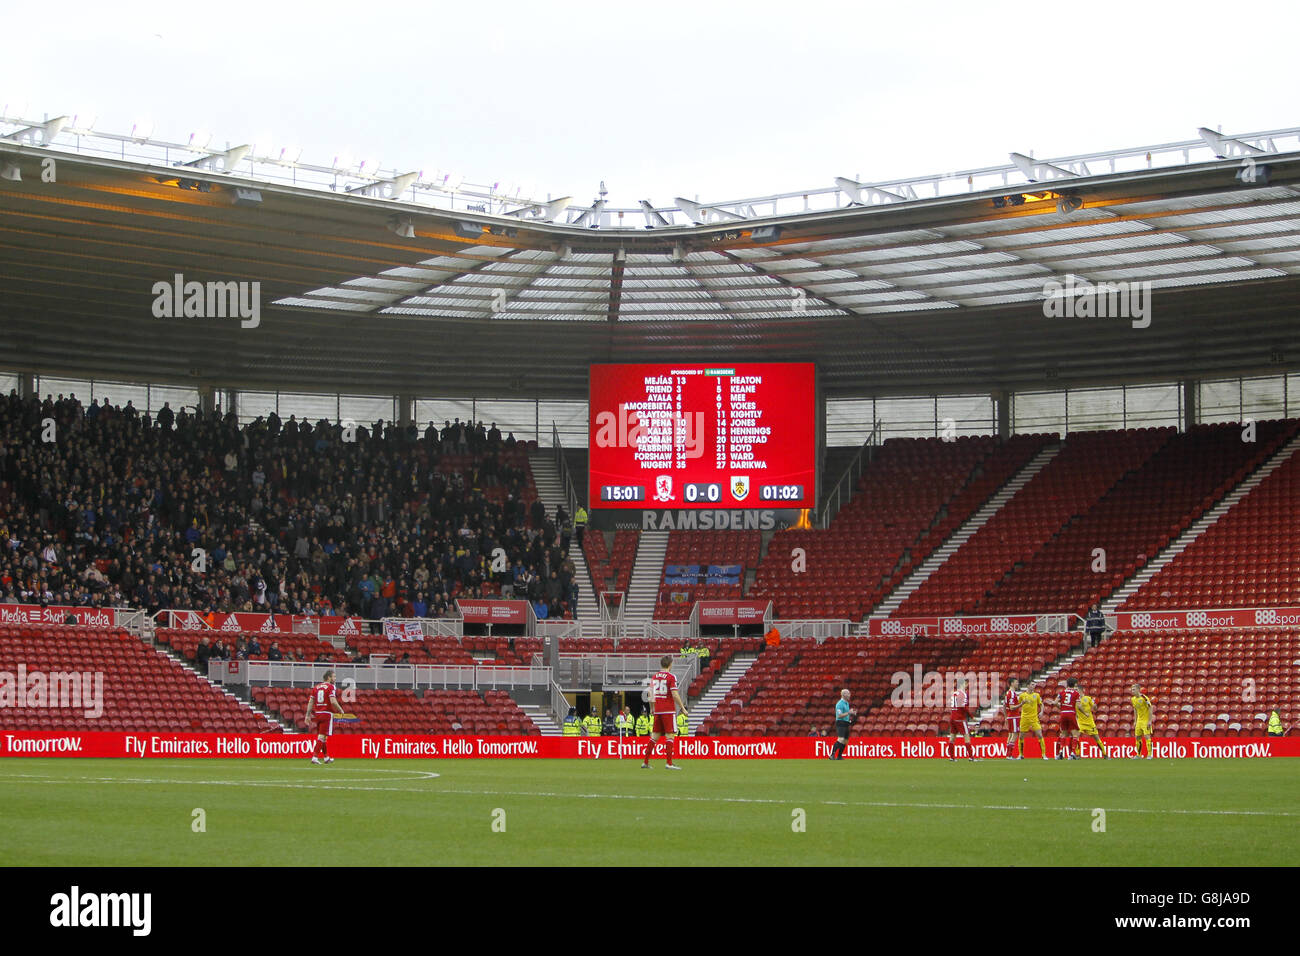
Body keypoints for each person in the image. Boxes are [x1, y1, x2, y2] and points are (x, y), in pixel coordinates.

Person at [641, 656, 685, 770]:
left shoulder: (655, 677)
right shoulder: (671, 677)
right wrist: (682, 708)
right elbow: (674, 694)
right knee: (670, 736)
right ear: (670, 664)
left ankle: (645, 762)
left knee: (654, 736)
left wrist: (652, 708)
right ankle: (669, 763)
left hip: (658, 710)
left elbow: (650, 694)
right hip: (668, 710)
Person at [306, 669, 346, 765]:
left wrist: (307, 714)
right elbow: (332, 701)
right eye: (334, 677)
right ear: (329, 677)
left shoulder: (316, 687)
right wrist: (340, 710)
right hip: (326, 713)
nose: (335, 679)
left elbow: (311, 701)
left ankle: (326, 757)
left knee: (323, 737)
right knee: (322, 736)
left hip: (318, 714)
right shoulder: (331, 687)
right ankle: (315, 757)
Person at [1016, 683, 1050, 760]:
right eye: (1032, 684)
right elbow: (1017, 704)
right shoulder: (1022, 695)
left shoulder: (1037, 695)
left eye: (1034, 685)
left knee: (1040, 735)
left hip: (1034, 718)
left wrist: (1041, 712)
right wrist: (1021, 704)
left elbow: (1041, 704)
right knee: (1021, 736)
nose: (1033, 686)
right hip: (1024, 718)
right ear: (1028, 686)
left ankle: (1043, 755)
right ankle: (1020, 754)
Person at [1075, 685, 1108, 758]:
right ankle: (1077, 755)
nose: (1075, 691)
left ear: (1081, 690)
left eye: (1077, 690)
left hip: (1090, 722)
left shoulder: (1088, 698)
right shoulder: (1075, 700)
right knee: (1076, 736)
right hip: (1080, 722)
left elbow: (1095, 709)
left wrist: (1095, 706)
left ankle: (1105, 754)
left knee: (1096, 738)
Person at [947, 678, 975, 762]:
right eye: (966, 683)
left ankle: (952, 757)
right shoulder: (963, 694)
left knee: (952, 738)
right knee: (967, 736)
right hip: (960, 718)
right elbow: (963, 707)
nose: (967, 685)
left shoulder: (954, 693)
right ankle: (971, 757)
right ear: (962, 684)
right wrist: (972, 717)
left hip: (952, 717)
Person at [1056, 677, 1083, 760]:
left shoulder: (1062, 692)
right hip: (1071, 713)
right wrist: (1085, 712)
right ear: (1074, 684)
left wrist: (1062, 708)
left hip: (1063, 713)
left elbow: (1056, 702)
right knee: (1075, 734)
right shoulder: (1076, 693)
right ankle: (1072, 753)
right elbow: (1078, 706)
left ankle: (1060, 753)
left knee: (1063, 734)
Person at [829, 688, 856, 760]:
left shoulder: (847, 703)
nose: (850, 695)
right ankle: (832, 755)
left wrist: (851, 713)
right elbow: (839, 715)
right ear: (844, 695)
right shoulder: (840, 704)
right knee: (841, 739)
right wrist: (848, 713)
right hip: (840, 723)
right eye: (848, 693)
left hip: (846, 723)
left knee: (845, 740)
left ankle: (839, 756)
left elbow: (846, 714)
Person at [1130, 683, 1154, 759]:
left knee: (1147, 736)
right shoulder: (1133, 699)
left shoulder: (1144, 698)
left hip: (1145, 720)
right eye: (1132, 689)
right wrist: (1135, 720)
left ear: (1138, 689)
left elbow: (1150, 707)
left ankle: (1149, 755)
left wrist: (1150, 720)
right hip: (1139, 721)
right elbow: (1135, 709)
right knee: (1137, 737)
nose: (1132, 691)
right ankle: (1138, 755)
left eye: (1133, 689)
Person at [1002, 676, 1022, 759]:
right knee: (1015, 734)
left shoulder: (1007, 693)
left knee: (1010, 735)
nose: (1017, 683)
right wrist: (1022, 704)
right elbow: (1011, 707)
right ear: (1012, 683)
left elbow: (1004, 706)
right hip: (1014, 716)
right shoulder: (1012, 694)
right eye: (1016, 682)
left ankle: (1008, 754)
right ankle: (1009, 755)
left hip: (1010, 716)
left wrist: (1006, 717)